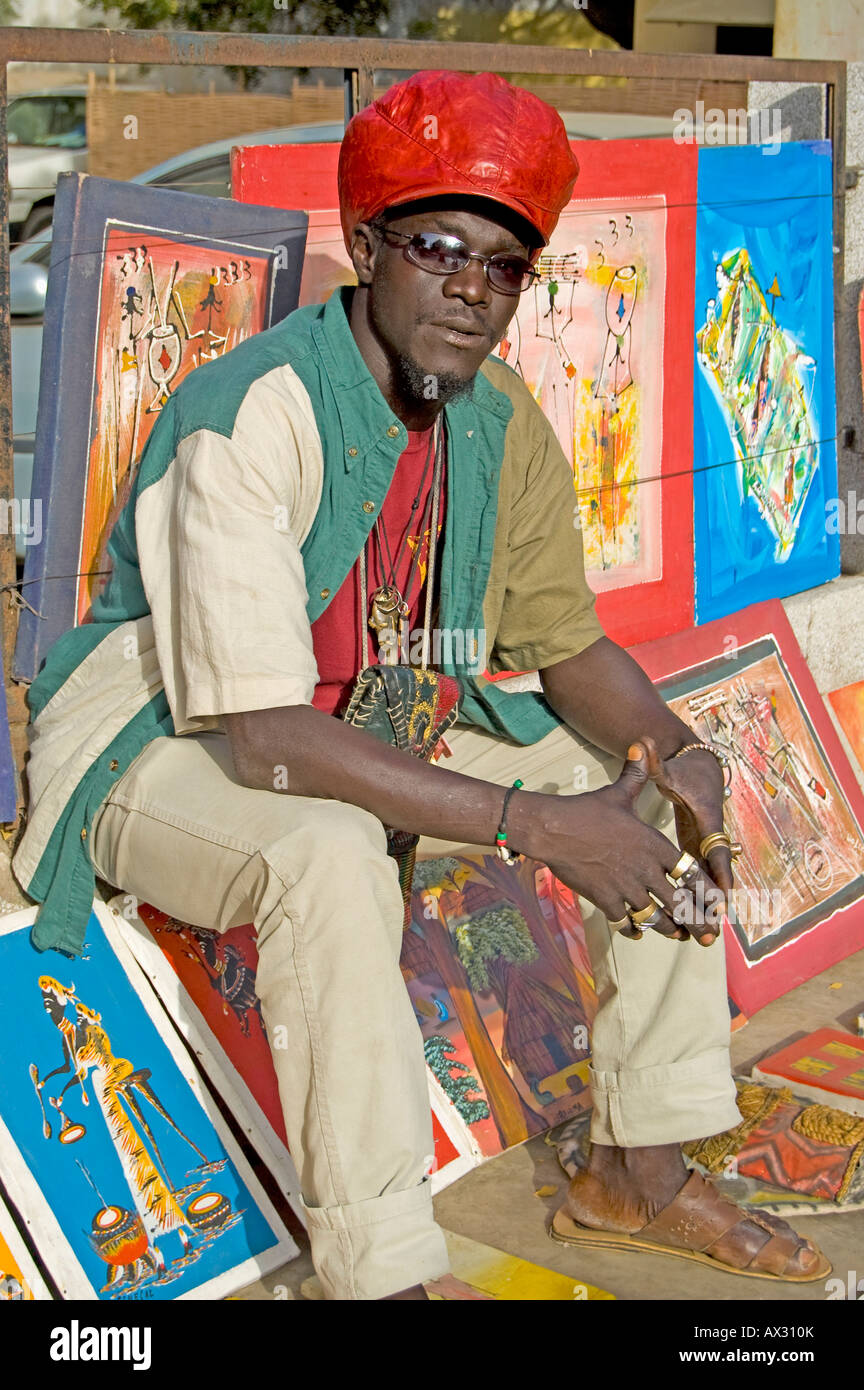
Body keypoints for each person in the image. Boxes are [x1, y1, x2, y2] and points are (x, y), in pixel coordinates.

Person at [13, 70, 828, 1300]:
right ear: (367, 244)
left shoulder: (499, 420)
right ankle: (382, 1271)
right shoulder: (254, 413)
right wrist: (532, 822)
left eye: (505, 267)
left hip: (378, 724)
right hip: (160, 740)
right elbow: (265, 737)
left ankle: (638, 1166)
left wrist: (678, 744)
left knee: (653, 789)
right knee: (328, 851)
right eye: (439, 246)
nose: (470, 288)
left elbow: (569, 647)